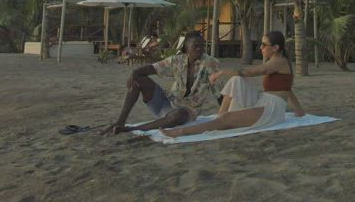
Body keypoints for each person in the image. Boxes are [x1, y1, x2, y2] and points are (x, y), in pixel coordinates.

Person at [162, 31, 304, 139]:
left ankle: (181, 132)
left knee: (227, 120)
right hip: (263, 100)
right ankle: (220, 116)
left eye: (264, 45)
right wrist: (300, 112)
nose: (260, 47)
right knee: (236, 81)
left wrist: (222, 72)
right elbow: (287, 89)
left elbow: (250, 72)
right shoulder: (276, 61)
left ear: (275, 48)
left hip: (272, 109)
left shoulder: (278, 62)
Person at [100, 30, 220, 135]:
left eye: (202, 46)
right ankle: (120, 122)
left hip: (186, 112)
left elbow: (219, 93)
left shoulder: (210, 64)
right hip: (165, 103)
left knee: (179, 114)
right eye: (195, 46)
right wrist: (133, 74)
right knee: (138, 78)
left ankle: (131, 129)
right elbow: (150, 69)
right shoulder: (176, 61)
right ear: (187, 48)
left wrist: (226, 117)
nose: (200, 49)